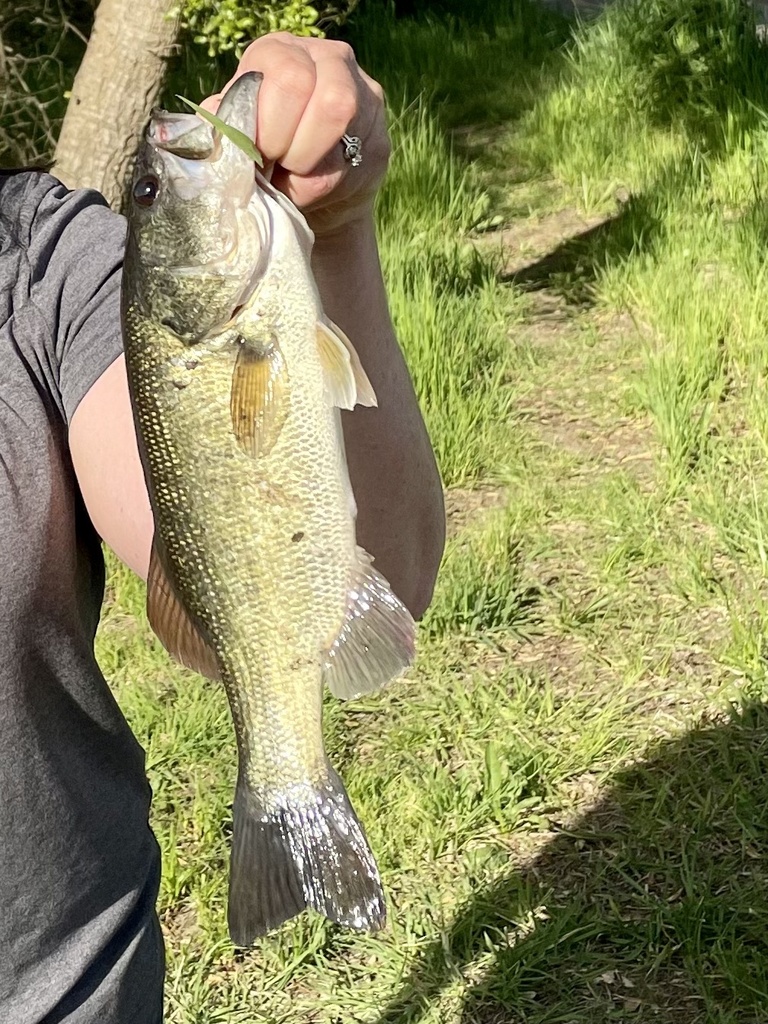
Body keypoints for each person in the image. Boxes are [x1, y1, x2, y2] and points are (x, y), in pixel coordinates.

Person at [0, 32, 445, 1024]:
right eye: (155, 196)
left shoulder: (41, 267)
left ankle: (285, 778)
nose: (169, 167)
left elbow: (400, 569)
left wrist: (339, 228)